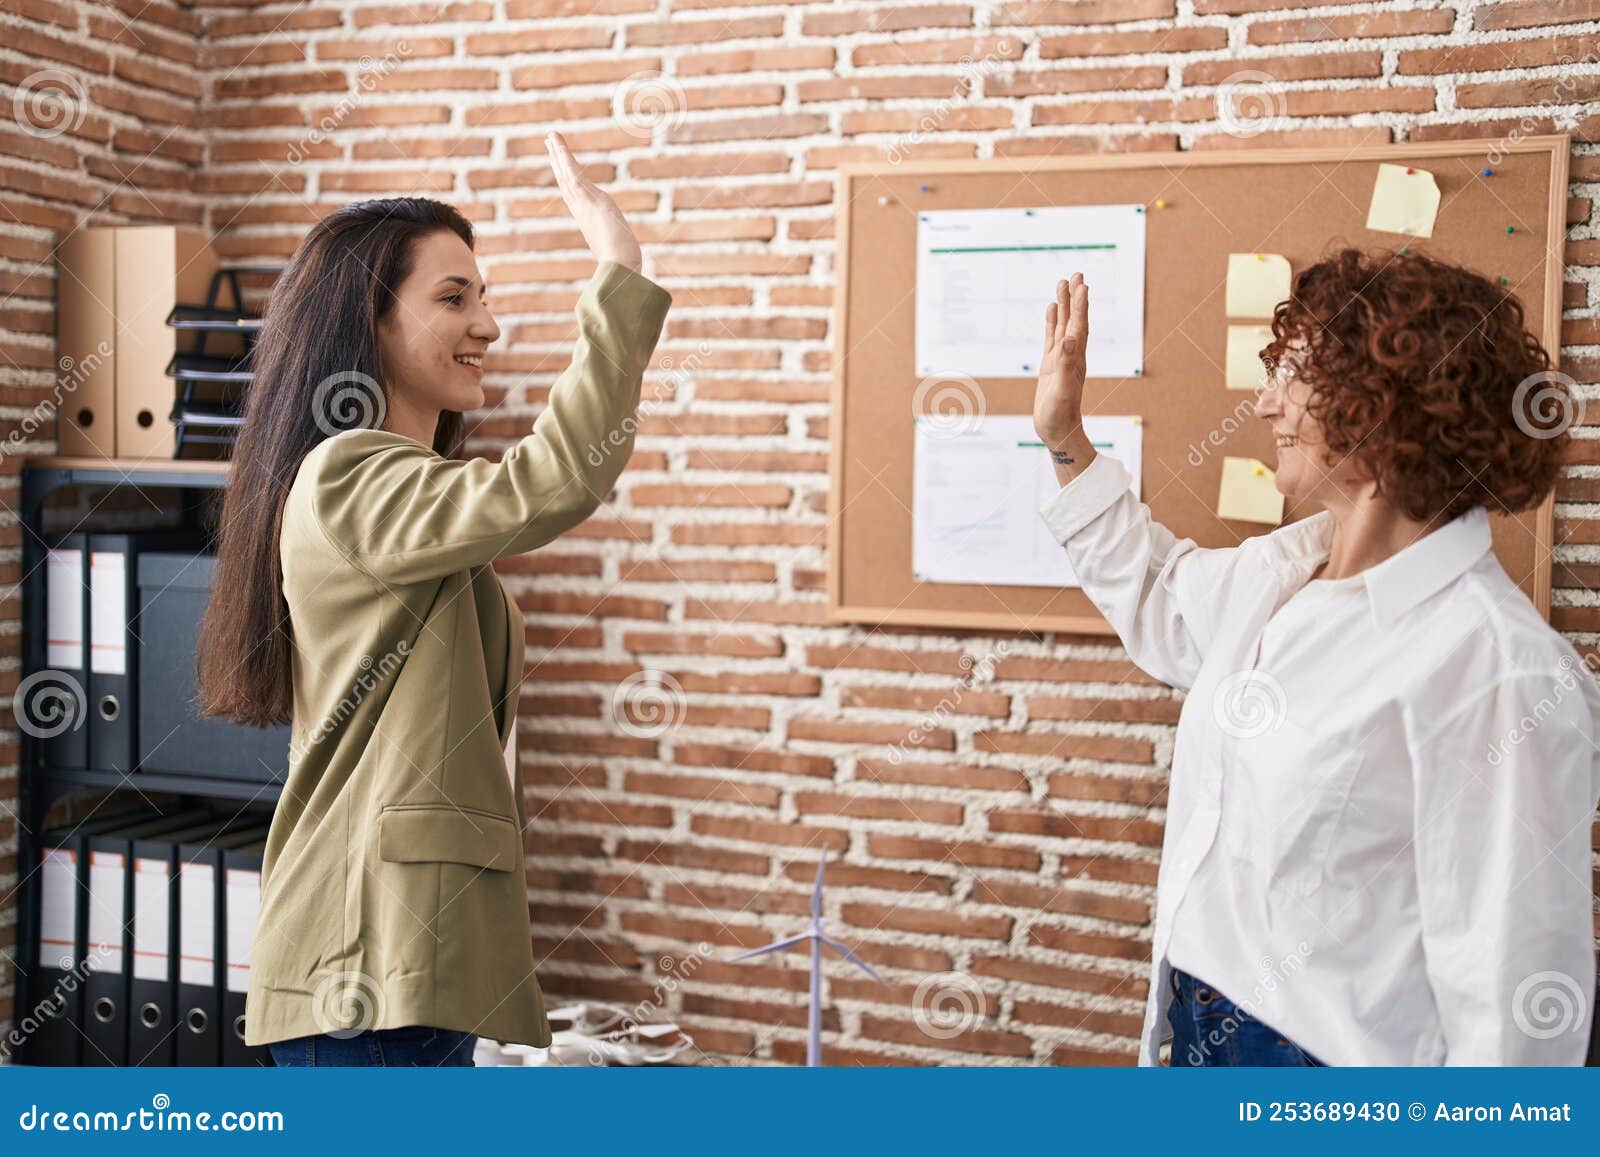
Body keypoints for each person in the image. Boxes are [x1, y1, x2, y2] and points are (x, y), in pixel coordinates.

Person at [1030, 249, 1600, 1066]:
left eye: (1291, 374)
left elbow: (1512, 1011)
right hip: (1193, 1034)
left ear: (1381, 403)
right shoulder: (1284, 574)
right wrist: (1064, 437)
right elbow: (1160, 596)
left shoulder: (1498, 669)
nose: (1264, 404)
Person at [195, 132, 672, 1066]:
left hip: (413, 956)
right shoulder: (347, 476)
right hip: (367, 962)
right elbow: (552, 480)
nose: (487, 325)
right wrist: (619, 272)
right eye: (453, 298)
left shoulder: (402, 488)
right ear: (365, 320)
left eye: (483, 297)